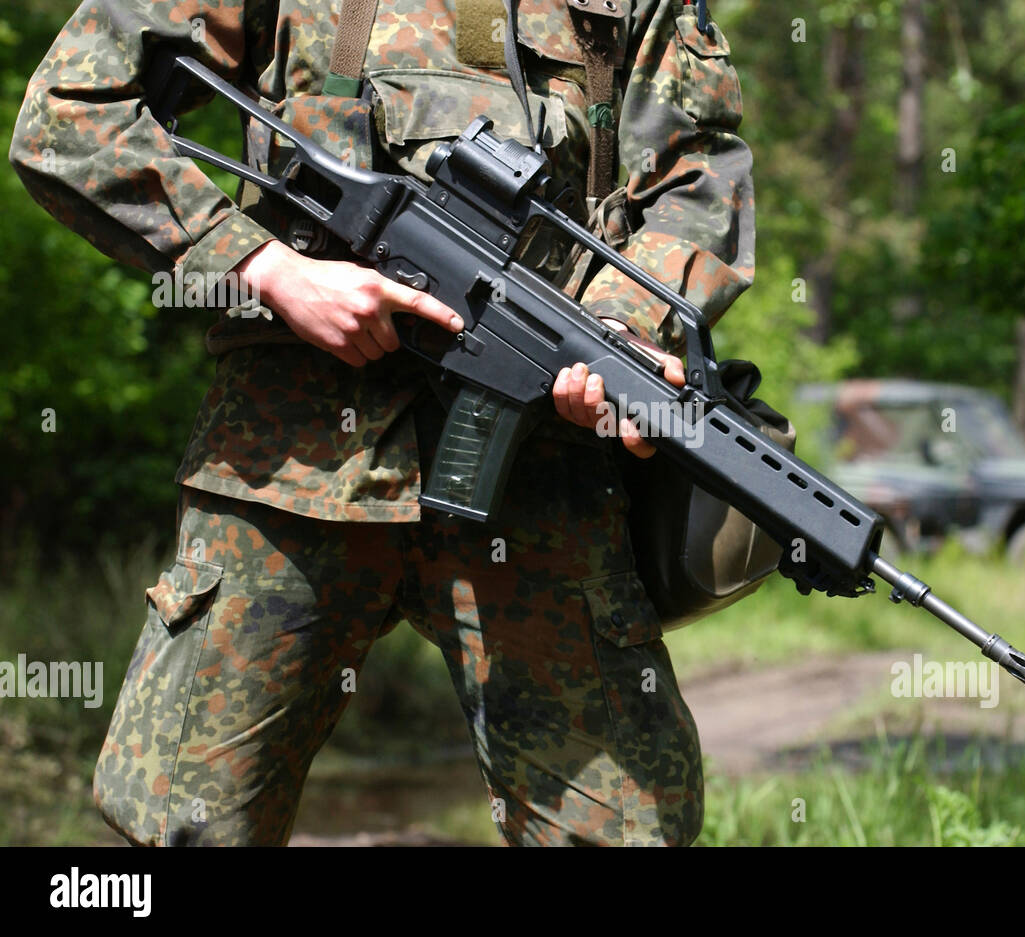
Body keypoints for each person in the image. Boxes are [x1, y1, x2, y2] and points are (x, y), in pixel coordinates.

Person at [10, 0, 754, 846]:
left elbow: (698, 171)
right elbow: (70, 112)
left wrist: (619, 328)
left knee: (623, 833)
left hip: (541, 466)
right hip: (289, 458)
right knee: (187, 825)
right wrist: (265, 267)